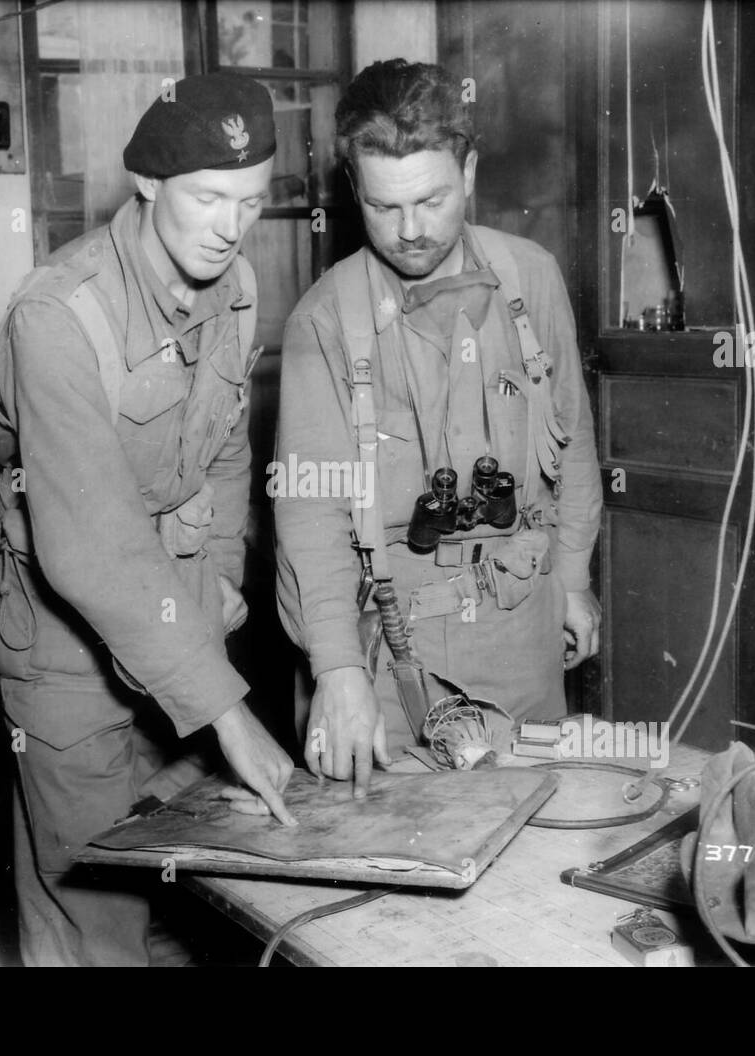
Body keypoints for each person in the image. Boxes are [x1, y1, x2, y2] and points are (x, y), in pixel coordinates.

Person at [0, 72, 296, 968]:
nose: (231, 227)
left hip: (177, 603)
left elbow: (224, 444)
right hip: (60, 625)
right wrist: (227, 710)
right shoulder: (60, 315)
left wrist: (221, 573)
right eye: (208, 197)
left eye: (253, 202)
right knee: (94, 906)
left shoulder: (233, 287)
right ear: (148, 183)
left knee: (187, 864)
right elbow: (93, 545)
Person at [274, 60, 604, 794]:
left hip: (524, 640)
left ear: (471, 170)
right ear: (354, 189)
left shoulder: (530, 278)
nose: (411, 231)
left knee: (530, 859)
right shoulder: (324, 322)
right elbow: (308, 516)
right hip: (388, 658)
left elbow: (572, 443)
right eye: (384, 208)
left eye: (431, 199)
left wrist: (574, 580)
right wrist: (335, 672)